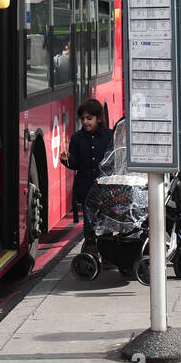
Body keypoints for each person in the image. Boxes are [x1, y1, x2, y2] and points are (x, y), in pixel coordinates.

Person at [60, 99, 113, 253]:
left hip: (105, 186)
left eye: (89, 118)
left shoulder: (109, 135)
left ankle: (108, 251)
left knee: (106, 219)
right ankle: (90, 248)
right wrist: (67, 160)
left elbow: (114, 159)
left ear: (99, 118)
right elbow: (75, 164)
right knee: (89, 221)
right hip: (85, 187)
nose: (85, 122)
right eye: (83, 119)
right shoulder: (77, 138)